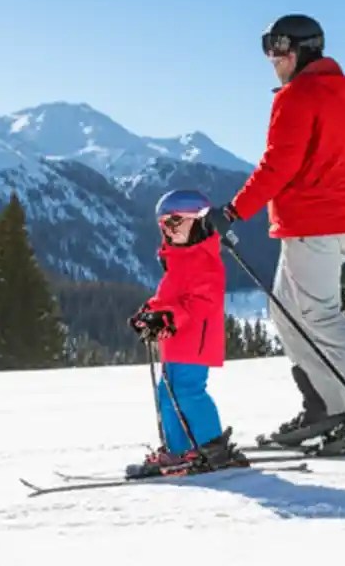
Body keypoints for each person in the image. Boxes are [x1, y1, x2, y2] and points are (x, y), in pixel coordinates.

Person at [205, 14, 345, 454]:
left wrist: (233, 210)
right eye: (268, 48)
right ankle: (329, 406)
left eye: (279, 48)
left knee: (321, 317)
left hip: (313, 224)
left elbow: (279, 165)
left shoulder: (298, 96)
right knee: (287, 314)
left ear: (303, 49)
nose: (272, 58)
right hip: (335, 221)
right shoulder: (339, 94)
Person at [127, 189, 249, 477]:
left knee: (189, 392)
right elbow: (168, 297)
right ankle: (178, 450)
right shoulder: (179, 258)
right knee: (167, 393)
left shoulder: (204, 260)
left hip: (196, 340)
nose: (168, 230)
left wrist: (167, 317)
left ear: (200, 221)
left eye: (175, 221)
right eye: (164, 224)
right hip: (176, 341)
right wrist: (150, 313)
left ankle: (211, 446)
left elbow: (200, 304)